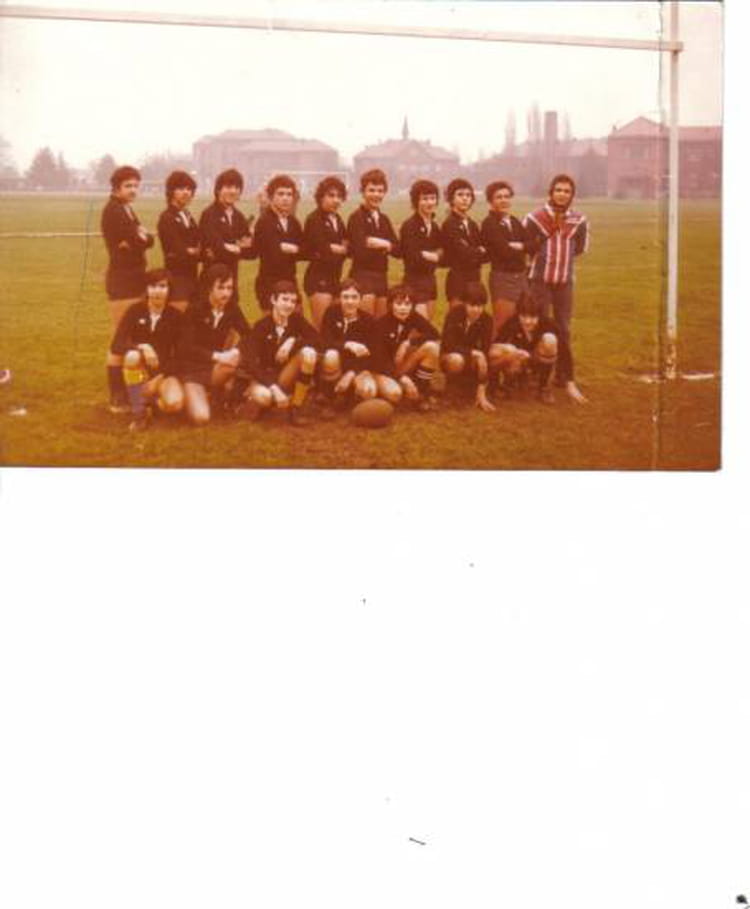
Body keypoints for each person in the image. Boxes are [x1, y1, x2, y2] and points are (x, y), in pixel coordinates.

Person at [524, 173, 589, 403]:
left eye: (567, 191)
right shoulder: (535, 218)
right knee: (541, 326)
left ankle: (563, 374)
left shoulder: (579, 220)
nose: (562, 194)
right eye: (558, 190)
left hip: (564, 282)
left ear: (572, 195)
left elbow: (579, 248)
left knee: (563, 328)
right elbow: (527, 246)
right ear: (551, 192)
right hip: (539, 280)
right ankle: (537, 374)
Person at [101, 165, 154, 412]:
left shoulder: (126, 208)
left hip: (135, 280)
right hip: (122, 283)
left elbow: (147, 240)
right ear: (116, 188)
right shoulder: (113, 210)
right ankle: (117, 397)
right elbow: (136, 240)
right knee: (120, 339)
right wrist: (139, 238)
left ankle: (133, 390)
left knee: (132, 337)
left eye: (135, 185)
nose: (133, 190)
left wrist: (140, 238)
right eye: (128, 186)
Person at [110, 268, 185, 430]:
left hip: (164, 373)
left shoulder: (176, 316)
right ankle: (139, 413)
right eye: (153, 286)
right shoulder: (135, 311)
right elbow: (116, 344)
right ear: (146, 289)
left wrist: (161, 376)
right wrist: (142, 347)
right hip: (140, 372)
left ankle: (153, 404)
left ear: (169, 289)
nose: (157, 291)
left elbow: (182, 354)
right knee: (131, 356)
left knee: (175, 404)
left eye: (163, 286)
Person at [239, 280, 320, 426]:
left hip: (285, 375)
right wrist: (273, 388)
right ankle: (253, 400)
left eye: (293, 301)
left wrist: (292, 342)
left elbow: (317, 339)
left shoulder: (296, 320)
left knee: (309, 353)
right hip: (265, 377)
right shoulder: (261, 326)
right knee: (264, 397)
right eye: (284, 299)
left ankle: (296, 408)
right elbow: (251, 363)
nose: (289, 305)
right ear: (273, 300)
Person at [178, 263, 250, 425]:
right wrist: (218, 356)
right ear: (210, 287)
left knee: (236, 361)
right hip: (192, 371)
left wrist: (236, 351)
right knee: (201, 418)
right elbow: (185, 348)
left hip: (215, 369)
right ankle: (191, 393)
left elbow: (249, 335)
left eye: (229, 288)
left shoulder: (232, 308)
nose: (226, 293)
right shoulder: (194, 309)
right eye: (221, 288)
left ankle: (227, 396)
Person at [372, 283, 440, 411]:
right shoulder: (380, 325)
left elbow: (434, 333)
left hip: (400, 365)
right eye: (399, 304)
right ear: (390, 305)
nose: (403, 308)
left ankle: (421, 393)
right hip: (384, 370)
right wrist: (402, 379)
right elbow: (379, 362)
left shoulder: (412, 316)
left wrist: (408, 342)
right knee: (395, 394)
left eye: (407, 304)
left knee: (432, 347)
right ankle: (384, 390)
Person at [347, 169, 400, 318]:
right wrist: (386, 245)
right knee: (365, 324)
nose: (376, 194)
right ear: (363, 192)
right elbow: (360, 252)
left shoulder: (384, 219)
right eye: (371, 190)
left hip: (381, 277)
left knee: (380, 327)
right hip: (362, 276)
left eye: (380, 191)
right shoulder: (356, 217)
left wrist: (382, 243)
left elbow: (398, 250)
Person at [489, 291, 558, 405]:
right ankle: (508, 384)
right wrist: (513, 353)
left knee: (550, 339)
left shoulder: (548, 323)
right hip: (520, 360)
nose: (527, 321)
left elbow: (564, 349)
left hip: (538, 360)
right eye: (524, 316)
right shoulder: (512, 323)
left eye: (532, 317)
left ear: (539, 315)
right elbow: (496, 348)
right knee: (508, 349)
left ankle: (544, 387)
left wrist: (570, 382)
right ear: (518, 314)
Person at [198, 168, 254, 304]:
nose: (233, 191)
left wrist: (234, 248)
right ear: (218, 189)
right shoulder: (209, 215)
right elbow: (217, 249)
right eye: (228, 187)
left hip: (231, 282)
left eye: (237, 187)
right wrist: (236, 246)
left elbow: (252, 252)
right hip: (211, 283)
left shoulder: (239, 216)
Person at [318, 278, 377, 408]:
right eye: (345, 297)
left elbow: (371, 355)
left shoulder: (368, 320)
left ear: (360, 299)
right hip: (334, 364)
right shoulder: (331, 313)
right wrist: (348, 344)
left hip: (356, 367)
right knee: (331, 355)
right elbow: (324, 342)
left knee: (369, 392)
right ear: (339, 298)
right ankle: (329, 398)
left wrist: (351, 373)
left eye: (354, 297)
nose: (350, 301)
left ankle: (349, 395)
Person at [480, 180, 530, 334]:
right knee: (503, 324)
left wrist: (521, 246)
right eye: (499, 197)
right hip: (503, 278)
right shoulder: (489, 224)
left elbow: (533, 244)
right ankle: (496, 356)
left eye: (507, 196)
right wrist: (522, 247)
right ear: (490, 201)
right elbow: (504, 252)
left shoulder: (514, 221)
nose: (504, 200)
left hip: (521, 278)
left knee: (522, 322)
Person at [439, 281, 495, 413]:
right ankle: (451, 387)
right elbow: (448, 344)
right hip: (450, 356)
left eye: (480, 306)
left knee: (491, 356)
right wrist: (473, 352)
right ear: (464, 303)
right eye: (472, 305)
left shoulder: (487, 320)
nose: (476, 310)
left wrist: (482, 391)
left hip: (472, 360)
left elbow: (485, 351)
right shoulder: (454, 314)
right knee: (456, 360)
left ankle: (476, 387)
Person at [253, 174, 305, 311]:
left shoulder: (294, 223)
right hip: (269, 283)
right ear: (271, 197)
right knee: (273, 328)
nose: (285, 198)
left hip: (290, 281)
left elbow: (305, 251)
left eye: (289, 194)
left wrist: (290, 248)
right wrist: (293, 248)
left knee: (298, 324)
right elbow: (274, 251)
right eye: (280, 194)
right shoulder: (264, 222)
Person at [303, 176, 349, 330]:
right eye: (331, 195)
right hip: (318, 280)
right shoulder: (314, 219)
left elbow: (346, 248)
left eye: (339, 196)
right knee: (322, 328)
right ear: (321, 197)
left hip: (335, 279)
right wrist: (334, 249)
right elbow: (323, 251)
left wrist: (335, 248)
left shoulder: (338, 219)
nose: (336, 200)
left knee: (335, 328)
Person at [399, 179, 443, 322]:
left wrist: (427, 255)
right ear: (416, 201)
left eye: (433, 198)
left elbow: (443, 254)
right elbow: (413, 258)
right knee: (417, 328)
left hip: (430, 282)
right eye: (424, 199)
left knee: (427, 328)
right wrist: (433, 256)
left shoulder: (435, 226)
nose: (430, 202)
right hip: (414, 282)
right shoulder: (409, 226)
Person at [157, 170, 201, 312]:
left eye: (189, 189)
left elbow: (198, 243)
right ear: (171, 191)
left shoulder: (188, 215)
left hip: (193, 279)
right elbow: (177, 250)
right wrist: (193, 252)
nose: (186, 193)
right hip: (176, 280)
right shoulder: (167, 217)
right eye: (181, 188)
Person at [441, 177, 486, 309]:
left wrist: (476, 251)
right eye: (460, 195)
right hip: (458, 281)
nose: (465, 198)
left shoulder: (472, 224)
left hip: (475, 278)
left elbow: (484, 254)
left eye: (468, 195)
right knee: (458, 320)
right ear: (451, 198)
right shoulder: (449, 224)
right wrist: (478, 250)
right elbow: (463, 253)